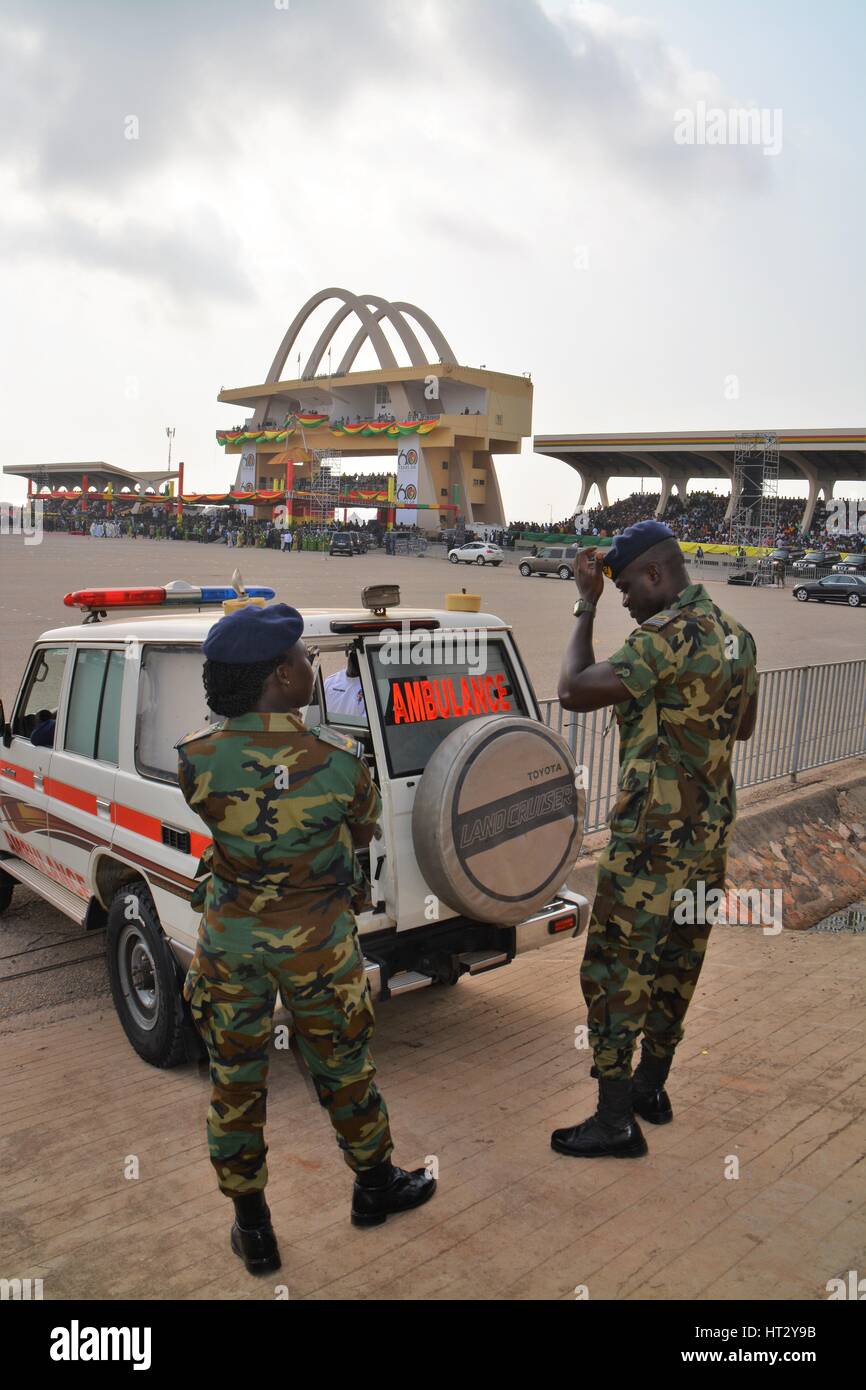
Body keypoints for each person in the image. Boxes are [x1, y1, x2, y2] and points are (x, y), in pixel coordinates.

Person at [177, 603, 435, 1275]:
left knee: (236, 1082)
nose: (308, 667)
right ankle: (375, 1189)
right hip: (318, 945)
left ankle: (254, 1230)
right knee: (346, 1067)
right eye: (299, 660)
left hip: (231, 948)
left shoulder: (196, 762)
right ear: (277, 679)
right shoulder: (341, 764)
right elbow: (360, 832)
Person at [550, 521, 758, 1159]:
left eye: (627, 591)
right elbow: (744, 727)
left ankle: (614, 1120)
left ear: (656, 575)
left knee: (618, 966)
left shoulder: (662, 638)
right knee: (676, 960)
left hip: (650, 841)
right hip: (708, 835)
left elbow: (572, 689)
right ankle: (651, 1088)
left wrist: (583, 604)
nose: (626, 603)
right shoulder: (737, 637)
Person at [323, 649, 367, 720]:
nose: (354, 656)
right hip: (330, 729)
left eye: (358, 653)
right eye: (352, 652)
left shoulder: (370, 685)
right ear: (347, 653)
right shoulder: (330, 681)